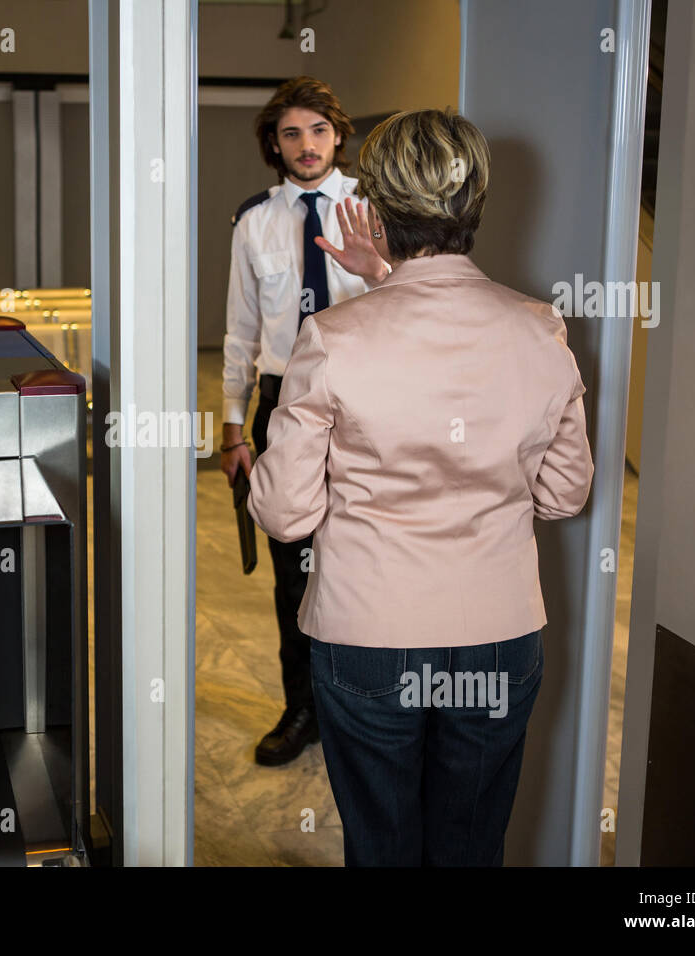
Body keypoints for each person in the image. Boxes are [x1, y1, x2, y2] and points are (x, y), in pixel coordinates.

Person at [247, 108, 594, 865]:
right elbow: (566, 495)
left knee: (384, 843)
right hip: (498, 634)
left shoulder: (334, 339)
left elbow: (284, 513)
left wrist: (382, 287)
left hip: (370, 639)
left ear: (376, 208)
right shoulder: (540, 328)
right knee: (471, 841)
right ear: (476, 202)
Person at [220, 76, 391, 767]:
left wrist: (378, 268)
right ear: (274, 144)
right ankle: (303, 710)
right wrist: (233, 428)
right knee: (294, 569)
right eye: (291, 132)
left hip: (364, 403)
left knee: (363, 561)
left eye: (317, 129)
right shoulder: (254, 220)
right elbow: (238, 331)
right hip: (281, 403)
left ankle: (364, 709)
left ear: (338, 135)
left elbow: (405, 298)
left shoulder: (374, 208)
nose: (306, 144)